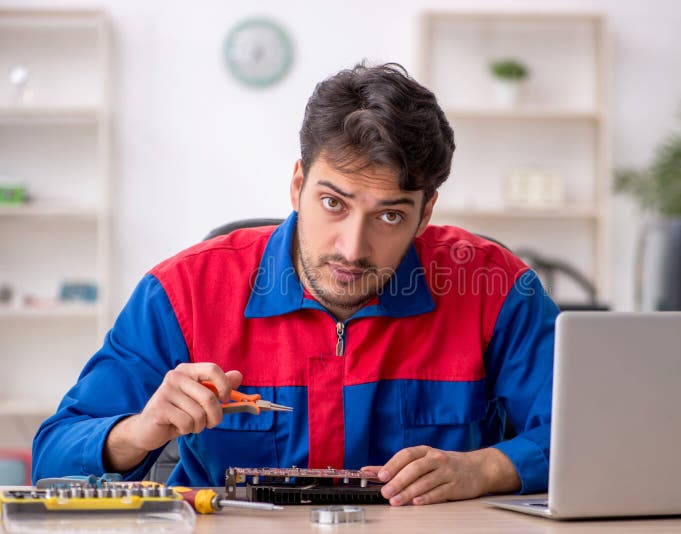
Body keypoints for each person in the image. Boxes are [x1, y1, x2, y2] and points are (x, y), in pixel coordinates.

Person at [32, 62, 559, 506]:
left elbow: (597, 438)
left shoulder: (495, 289)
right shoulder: (183, 292)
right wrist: (137, 432)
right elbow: (51, 457)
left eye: (390, 216)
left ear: (425, 216)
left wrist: (489, 469)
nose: (353, 248)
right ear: (298, 185)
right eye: (334, 203)